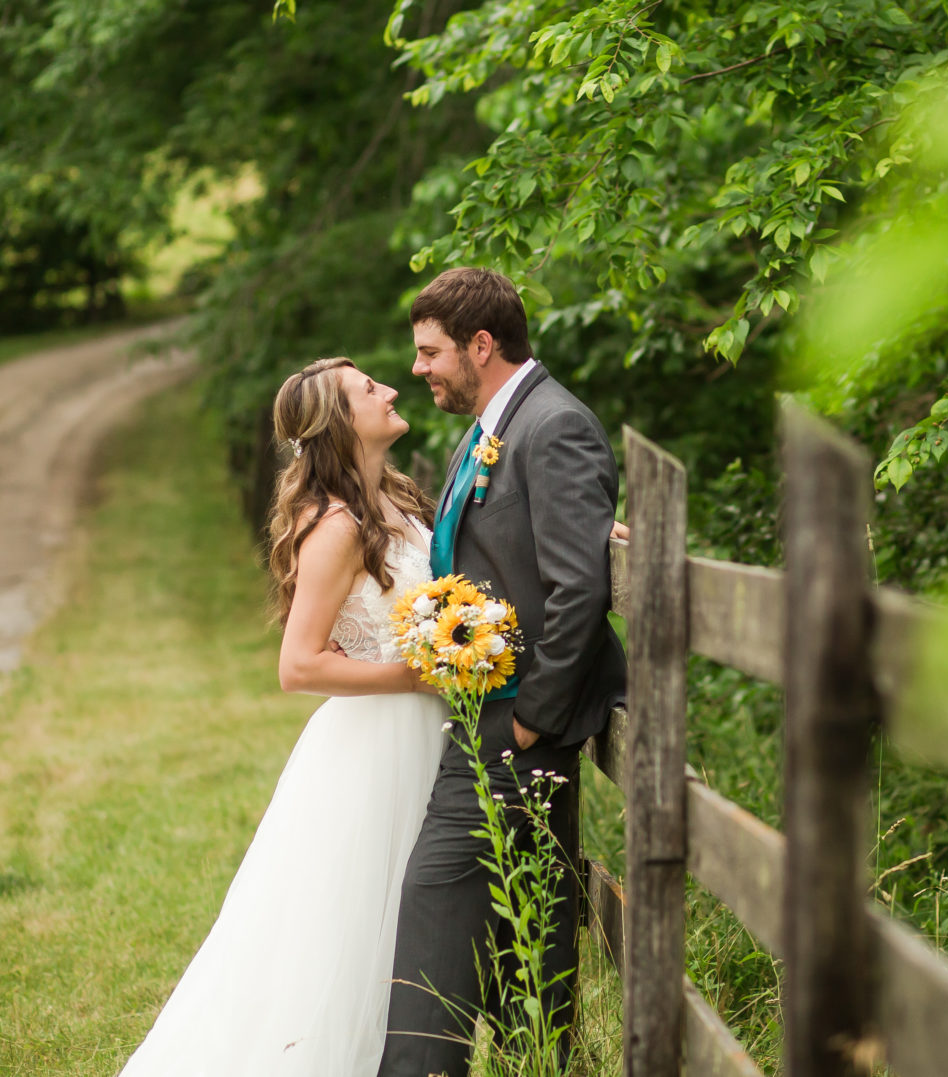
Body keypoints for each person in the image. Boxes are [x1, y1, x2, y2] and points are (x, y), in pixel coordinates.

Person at [118, 357, 450, 1075]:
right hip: (377, 743)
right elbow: (297, 664)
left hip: (422, 733)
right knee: (350, 930)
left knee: (399, 922)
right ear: (339, 422)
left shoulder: (397, 498)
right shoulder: (333, 525)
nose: (390, 389)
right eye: (369, 389)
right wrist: (420, 676)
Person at [379, 267, 627, 1077]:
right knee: (533, 929)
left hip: (517, 725)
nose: (419, 369)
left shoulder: (553, 426)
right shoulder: (495, 423)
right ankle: (541, 1063)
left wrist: (532, 719)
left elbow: (578, 587)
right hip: (490, 712)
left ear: (480, 345)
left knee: (434, 906)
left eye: (430, 352)